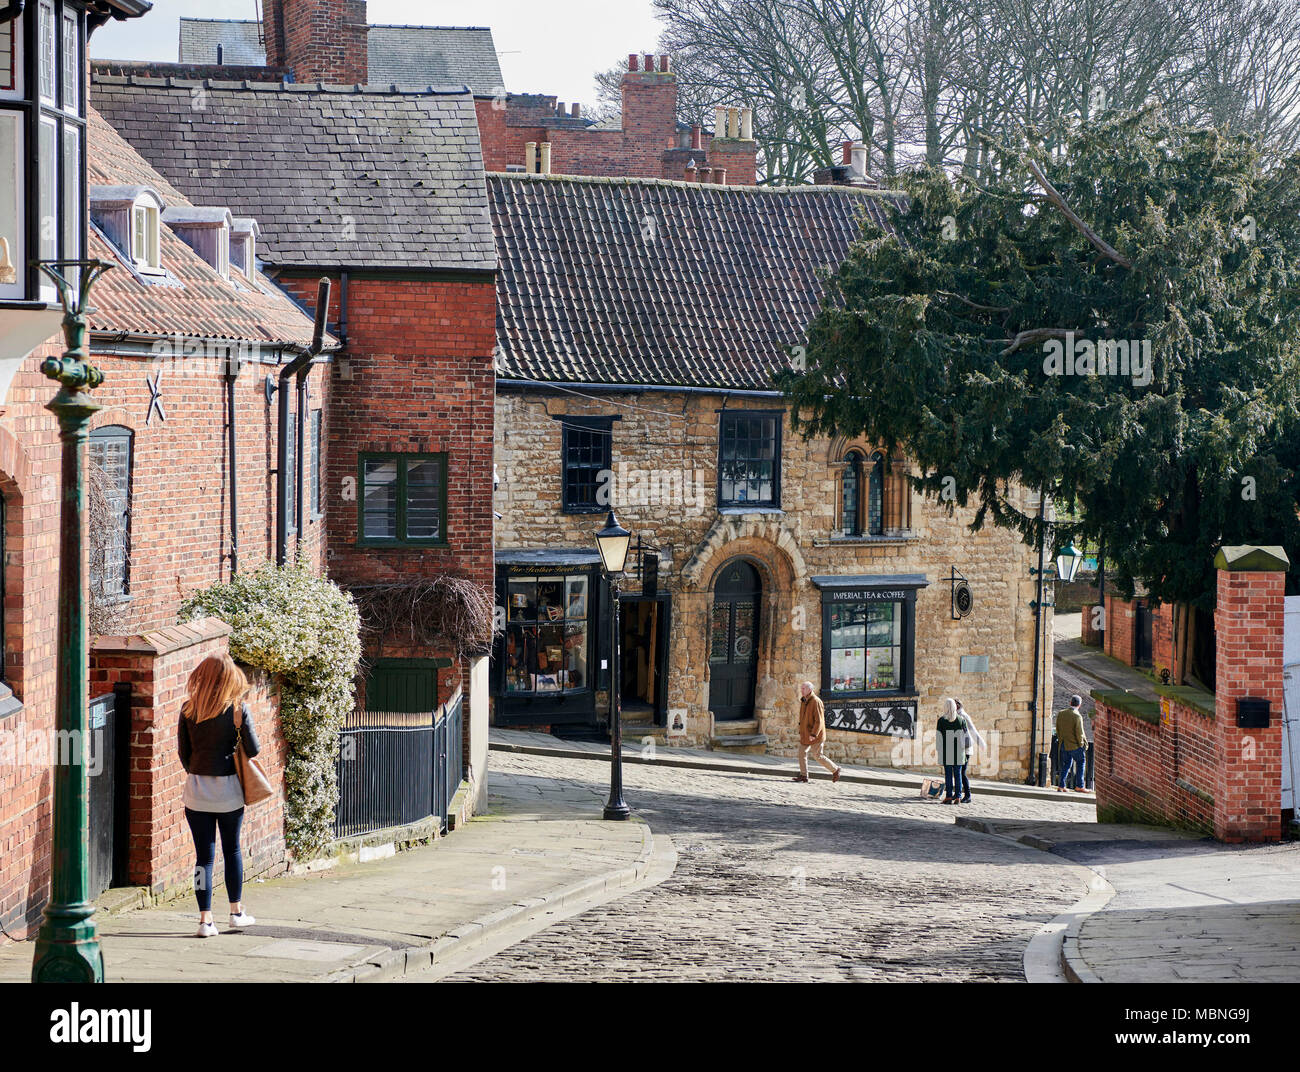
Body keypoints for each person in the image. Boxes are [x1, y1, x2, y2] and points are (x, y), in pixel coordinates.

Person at [177, 652, 260, 937]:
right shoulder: (238, 710)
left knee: (204, 858)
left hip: (197, 791)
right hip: (228, 792)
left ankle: (205, 920)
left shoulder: (189, 709)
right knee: (232, 850)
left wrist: (200, 770)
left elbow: (184, 755)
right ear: (229, 678)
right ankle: (236, 912)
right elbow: (255, 749)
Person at [793, 681, 842, 783]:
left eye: (804, 688)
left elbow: (819, 720)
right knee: (801, 753)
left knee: (818, 756)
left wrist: (814, 734)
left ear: (810, 690)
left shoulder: (816, 701)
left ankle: (836, 769)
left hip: (816, 735)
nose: (801, 690)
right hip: (806, 734)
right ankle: (803, 775)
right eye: (801, 688)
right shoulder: (804, 700)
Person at [954, 699, 986, 804]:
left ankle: (968, 795)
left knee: (962, 772)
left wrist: (981, 743)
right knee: (958, 772)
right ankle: (958, 793)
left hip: (966, 749)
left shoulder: (963, 716)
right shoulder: (955, 715)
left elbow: (973, 730)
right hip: (959, 748)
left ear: (957, 706)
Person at [936, 698, 967, 804]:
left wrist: (939, 750)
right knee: (958, 774)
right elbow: (965, 735)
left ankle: (949, 796)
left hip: (947, 751)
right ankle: (958, 796)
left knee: (948, 774)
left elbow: (939, 738)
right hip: (959, 751)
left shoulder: (941, 720)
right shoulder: (961, 720)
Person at [1056, 694, 1089, 793]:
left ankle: (1061, 786)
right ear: (1079, 705)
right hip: (1074, 745)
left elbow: (1058, 728)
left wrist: (1061, 739)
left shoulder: (1061, 713)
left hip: (1063, 744)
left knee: (1066, 765)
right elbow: (1080, 732)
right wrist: (1081, 744)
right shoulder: (1077, 716)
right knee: (1081, 762)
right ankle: (1079, 786)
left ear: (1070, 703)